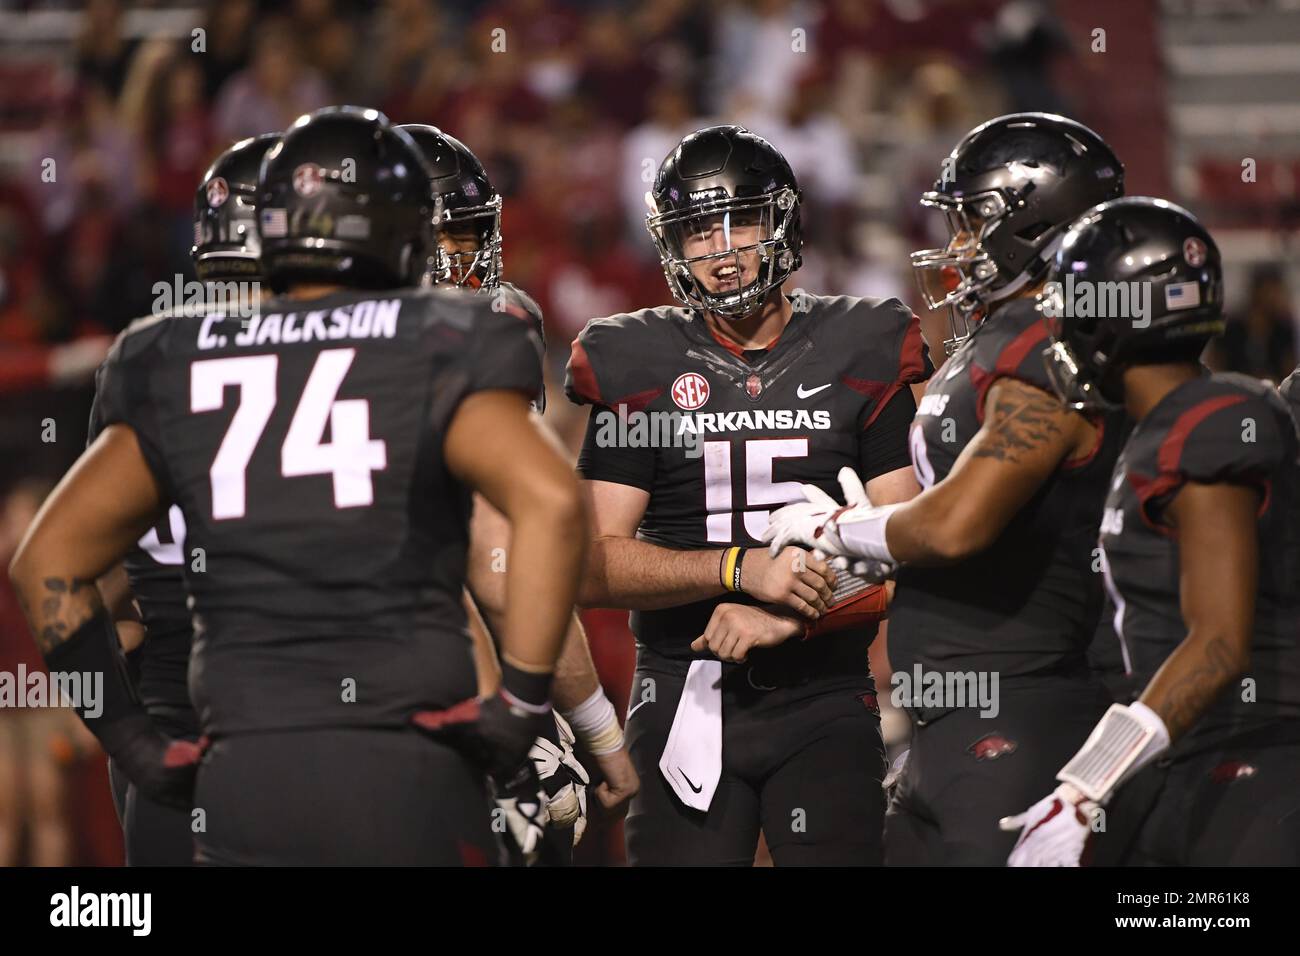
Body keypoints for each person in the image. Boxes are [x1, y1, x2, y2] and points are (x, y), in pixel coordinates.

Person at [10, 106, 585, 865]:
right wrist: (519, 709)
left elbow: (47, 564)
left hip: (234, 765)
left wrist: (131, 740)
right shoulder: (437, 342)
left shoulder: (169, 360)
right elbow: (548, 506)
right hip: (399, 760)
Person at [765, 113, 1127, 864]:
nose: (958, 246)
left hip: (1027, 705)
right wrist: (877, 538)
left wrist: (845, 531)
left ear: (1039, 224)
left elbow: (961, 524)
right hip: (951, 716)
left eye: (974, 223)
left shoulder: (1054, 348)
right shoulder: (996, 338)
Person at [566, 125, 928, 865]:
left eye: (742, 221)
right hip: (681, 689)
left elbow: (913, 546)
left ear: (782, 223)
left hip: (827, 691)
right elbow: (591, 567)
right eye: (697, 230)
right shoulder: (635, 358)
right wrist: (736, 568)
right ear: (672, 243)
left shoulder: (864, 343)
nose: (721, 250)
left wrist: (796, 611)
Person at [1002, 198, 1300, 866]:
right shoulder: (1171, 424)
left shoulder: (1211, 418)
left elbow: (1220, 644)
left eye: (1076, 304)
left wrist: (1086, 785)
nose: (1063, 327)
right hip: (1197, 761)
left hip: (1257, 765)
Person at [400, 123, 639, 864]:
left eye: (473, 237)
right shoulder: (481, 334)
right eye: (448, 239)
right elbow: (501, 561)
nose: (468, 260)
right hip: (431, 693)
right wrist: (586, 726)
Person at [88, 131, 278, 865]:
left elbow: (72, 574)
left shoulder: (144, 360)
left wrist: (125, 731)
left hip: (167, 717)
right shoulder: (340, 365)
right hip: (296, 719)